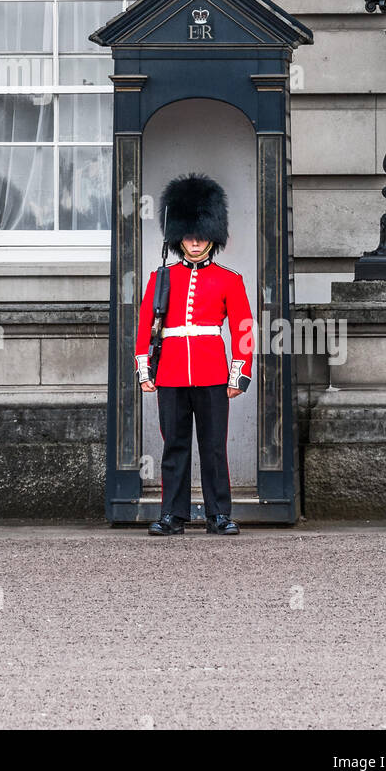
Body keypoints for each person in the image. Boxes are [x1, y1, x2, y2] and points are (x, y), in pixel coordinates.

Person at [134, 173, 254, 537]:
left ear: (211, 237)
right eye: (188, 236)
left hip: (213, 373)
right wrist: (144, 369)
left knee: (214, 448)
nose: (195, 243)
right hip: (170, 372)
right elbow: (144, 326)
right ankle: (174, 514)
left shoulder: (228, 279)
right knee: (175, 447)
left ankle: (218, 514)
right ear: (177, 237)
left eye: (201, 236)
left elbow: (244, 328)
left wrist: (238, 374)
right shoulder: (162, 278)